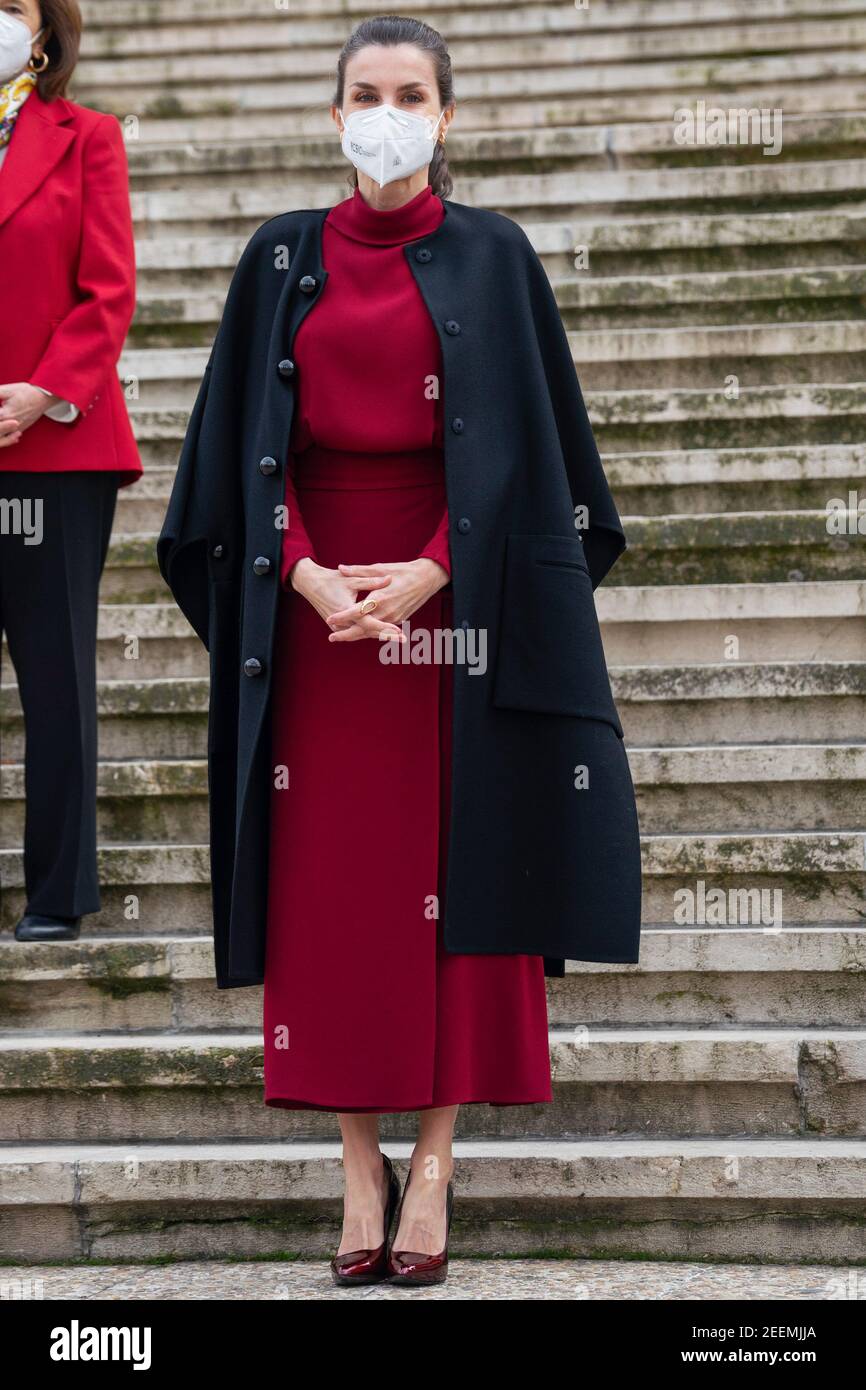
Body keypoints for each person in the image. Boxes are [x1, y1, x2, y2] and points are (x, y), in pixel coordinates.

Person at [158, 15, 641, 1289]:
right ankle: (356, 1162)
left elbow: (536, 460)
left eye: (410, 92)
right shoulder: (277, 258)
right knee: (336, 893)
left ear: (444, 114)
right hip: (310, 618)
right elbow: (233, 456)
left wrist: (432, 569)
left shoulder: (495, 256)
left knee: (459, 877)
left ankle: (431, 1166)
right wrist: (305, 572)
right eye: (364, 92)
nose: (386, 111)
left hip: (455, 612)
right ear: (332, 116)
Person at [0, 0, 141, 943]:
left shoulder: (86, 136)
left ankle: (57, 891)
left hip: (52, 448)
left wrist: (39, 391)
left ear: (45, 30)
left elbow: (109, 287)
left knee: (54, 677)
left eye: (10, 4)